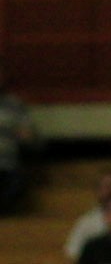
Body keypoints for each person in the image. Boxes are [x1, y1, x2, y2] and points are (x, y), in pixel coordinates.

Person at [0, 57, 40, 214]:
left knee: (17, 183)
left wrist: (27, 136)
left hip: (7, 168)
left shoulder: (15, 105)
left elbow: (34, 139)